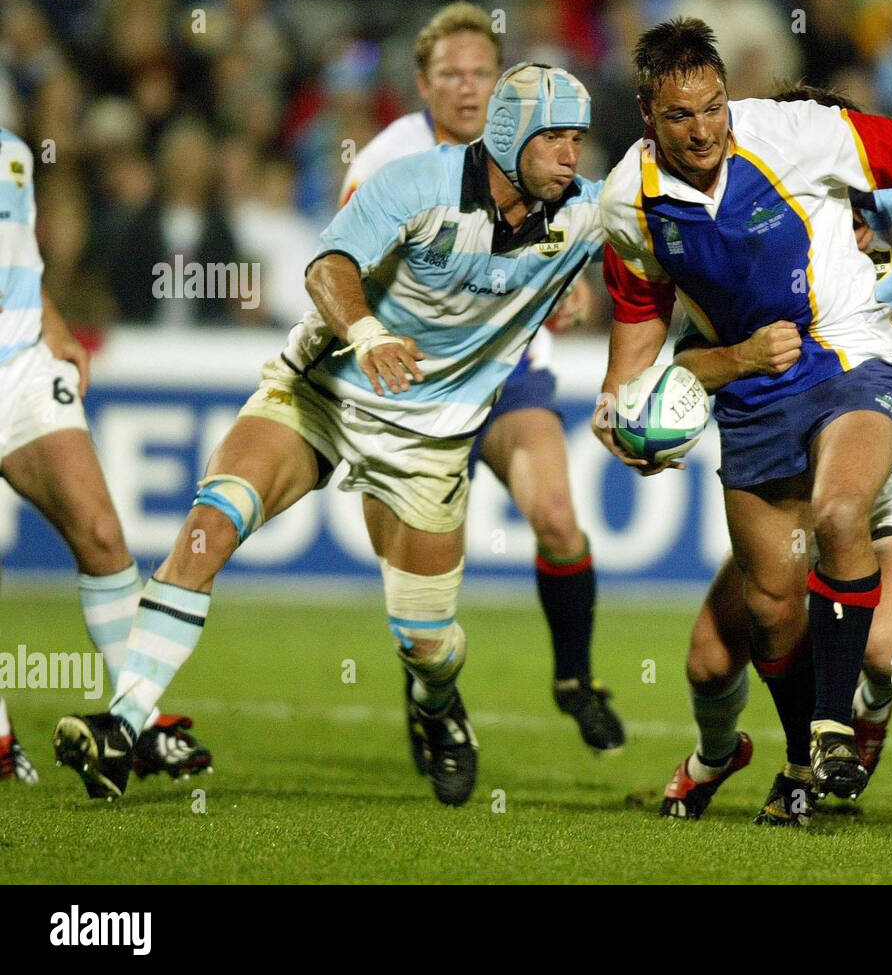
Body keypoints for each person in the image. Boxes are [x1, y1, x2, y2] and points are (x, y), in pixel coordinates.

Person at [53, 63, 604, 804]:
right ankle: (123, 726)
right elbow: (327, 268)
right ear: (510, 138)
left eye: (579, 139)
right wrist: (369, 332)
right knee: (209, 524)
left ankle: (439, 707)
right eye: (558, 139)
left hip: (428, 440)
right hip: (327, 389)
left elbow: (677, 231)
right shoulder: (417, 182)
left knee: (427, 644)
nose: (574, 155)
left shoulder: (587, 211)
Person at [594, 20, 892, 803]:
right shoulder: (625, 206)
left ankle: (832, 728)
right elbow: (639, 338)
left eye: (714, 107)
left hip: (850, 353)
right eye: (681, 116)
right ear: (646, 111)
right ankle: (800, 764)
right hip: (753, 391)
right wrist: (621, 416)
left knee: (842, 511)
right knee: (770, 605)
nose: (703, 130)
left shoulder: (794, 131)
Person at [654, 86, 892, 824]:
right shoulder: (756, 243)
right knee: (708, 656)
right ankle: (714, 753)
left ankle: (853, 725)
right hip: (802, 471)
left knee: (888, 650)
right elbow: (690, 356)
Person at [341, 1, 623, 759]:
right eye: (450, 74)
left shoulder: (541, 152)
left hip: (506, 377)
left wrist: (563, 282)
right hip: (408, 388)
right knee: (418, 569)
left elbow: (571, 234)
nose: (468, 88)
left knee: (559, 517)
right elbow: (345, 266)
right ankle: (433, 697)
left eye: (481, 73)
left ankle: (575, 679)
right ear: (422, 83)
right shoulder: (388, 163)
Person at [0, 126, 210, 786]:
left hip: (21, 363)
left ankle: (134, 724)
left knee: (99, 531)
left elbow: (20, 259)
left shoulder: (12, 151)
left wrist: (53, 322)